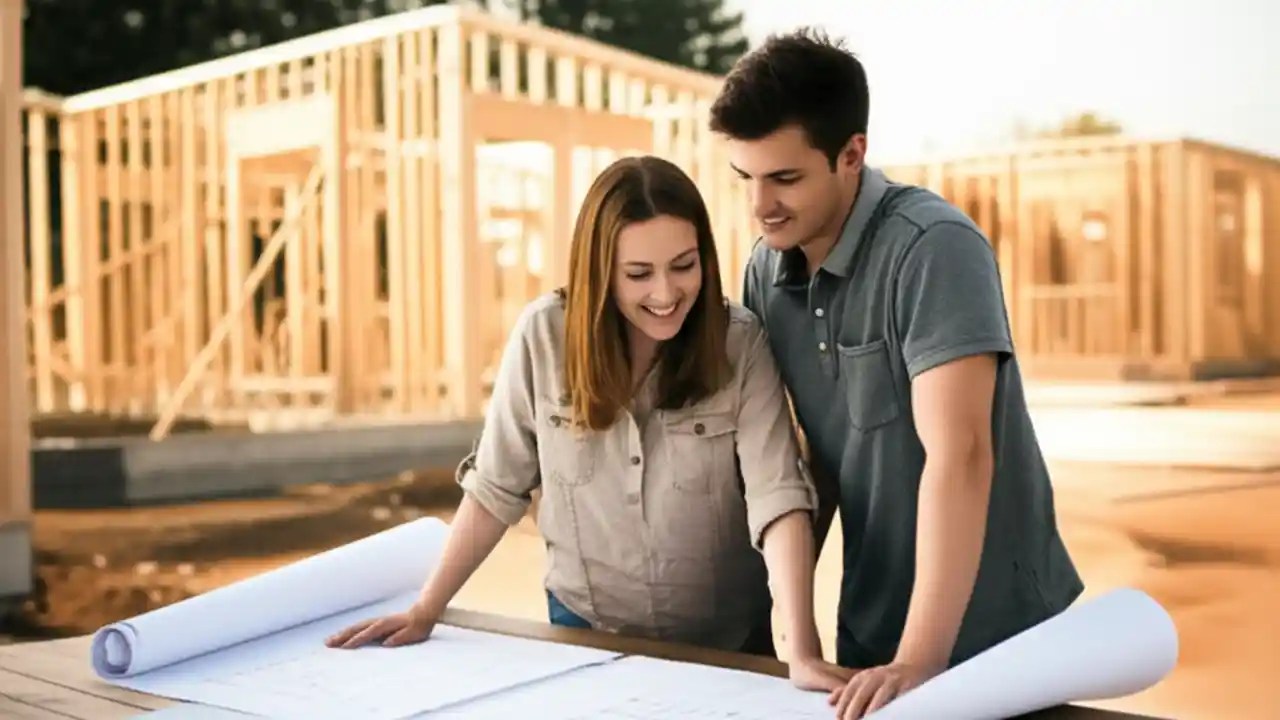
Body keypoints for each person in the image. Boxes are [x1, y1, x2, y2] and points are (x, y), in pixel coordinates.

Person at [325, 155, 852, 692]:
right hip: (587, 633)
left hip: (725, 641)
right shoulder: (543, 338)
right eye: (639, 274)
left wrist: (802, 651)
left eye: (684, 265)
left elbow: (778, 496)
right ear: (600, 270)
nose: (666, 294)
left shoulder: (740, 342)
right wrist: (426, 609)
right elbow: (494, 488)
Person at [707, 29, 1086, 719]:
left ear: (852, 155)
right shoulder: (767, 270)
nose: (760, 206)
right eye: (746, 179)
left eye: (784, 178)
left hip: (1000, 640)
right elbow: (812, 460)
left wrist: (921, 659)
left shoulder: (934, 250)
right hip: (873, 632)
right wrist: (781, 624)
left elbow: (962, 456)